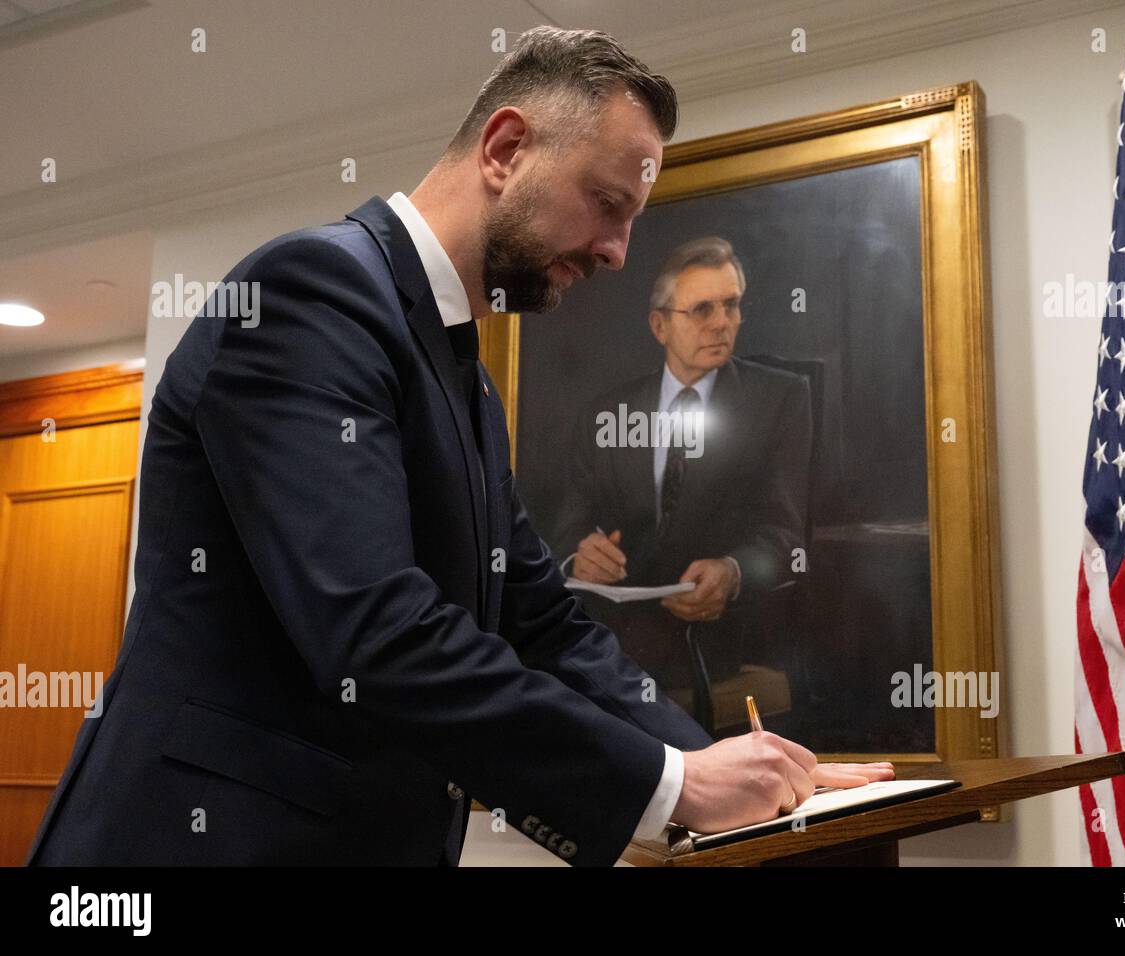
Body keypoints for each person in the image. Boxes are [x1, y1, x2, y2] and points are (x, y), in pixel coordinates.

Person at [26, 25, 892, 868]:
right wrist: (669, 787)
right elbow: (377, 630)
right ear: (506, 148)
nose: (619, 253)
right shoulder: (309, 294)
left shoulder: (468, 380)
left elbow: (543, 621)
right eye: (606, 205)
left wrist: (736, 774)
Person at [553, 237, 813, 698]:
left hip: (723, 644)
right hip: (611, 647)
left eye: (731, 306)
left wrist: (732, 572)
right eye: (702, 310)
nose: (721, 324)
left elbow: (788, 535)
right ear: (659, 326)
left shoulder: (780, 401)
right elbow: (570, 519)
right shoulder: (608, 411)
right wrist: (580, 555)